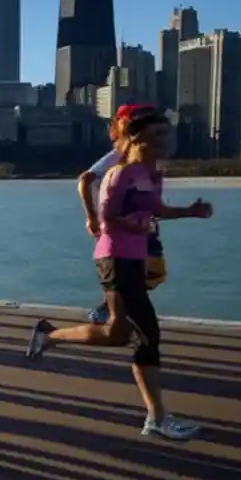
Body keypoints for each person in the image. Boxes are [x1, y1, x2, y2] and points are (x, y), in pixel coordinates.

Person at [27, 107, 212, 440]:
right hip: (114, 258)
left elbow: (157, 210)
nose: (164, 141)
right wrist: (133, 223)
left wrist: (190, 212)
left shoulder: (152, 173)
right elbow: (108, 217)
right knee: (148, 333)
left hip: (134, 258)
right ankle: (156, 417)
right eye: (157, 135)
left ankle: (48, 335)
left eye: (166, 135)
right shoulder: (120, 174)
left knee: (116, 333)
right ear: (137, 136)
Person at [79, 104, 170, 325]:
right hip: (119, 225)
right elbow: (86, 179)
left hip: (144, 224)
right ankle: (117, 309)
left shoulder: (148, 154)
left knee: (153, 272)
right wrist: (91, 216)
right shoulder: (118, 155)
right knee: (136, 271)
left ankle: (121, 306)